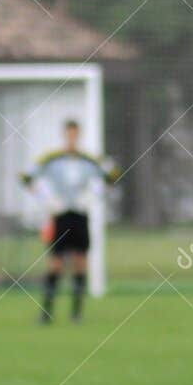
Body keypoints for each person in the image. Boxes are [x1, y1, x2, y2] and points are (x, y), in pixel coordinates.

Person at [21, 121, 118, 322]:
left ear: (78, 135)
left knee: (80, 263)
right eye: (69, 134)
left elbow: (113, 175)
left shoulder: (89, 160)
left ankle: (76, 313)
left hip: (80, 215)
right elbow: (26, 176)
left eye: (75, 134)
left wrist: (95, 195)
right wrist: (45, 198)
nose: (72, 138)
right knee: (55, 263)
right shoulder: (52, 159)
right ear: (64, 135)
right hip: (61, 215)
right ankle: (46, 312)